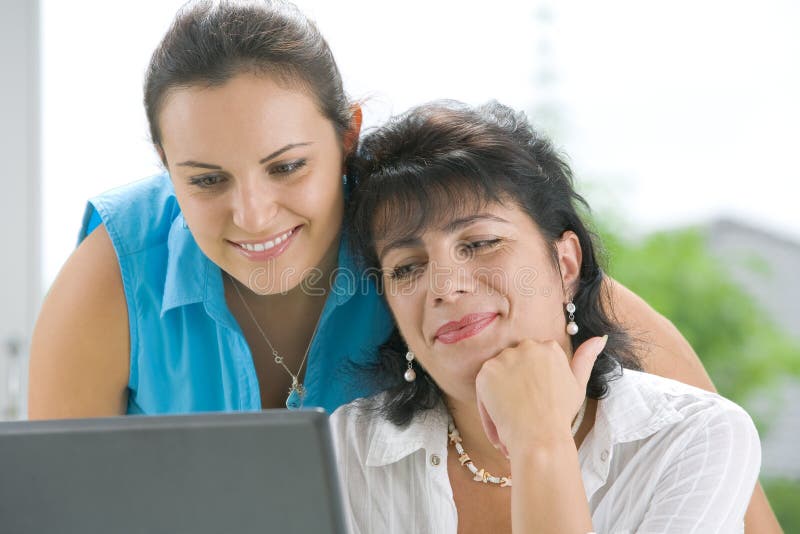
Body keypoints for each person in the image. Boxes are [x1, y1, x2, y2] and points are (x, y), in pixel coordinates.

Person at [27, 2, 779, 529]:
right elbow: (52, 515)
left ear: (347, 136)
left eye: (288, 165)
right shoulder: (110, 280)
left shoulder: (422, 241)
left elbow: (559, 294)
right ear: (165, 168)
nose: (253, 214)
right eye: (205, 179)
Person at [331, 100, 761, 533]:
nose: (443, 287)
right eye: (407, 268)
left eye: (481, 243)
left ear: (566, 264)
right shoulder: (343, 449)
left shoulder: (695, 439)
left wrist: (539, 441)